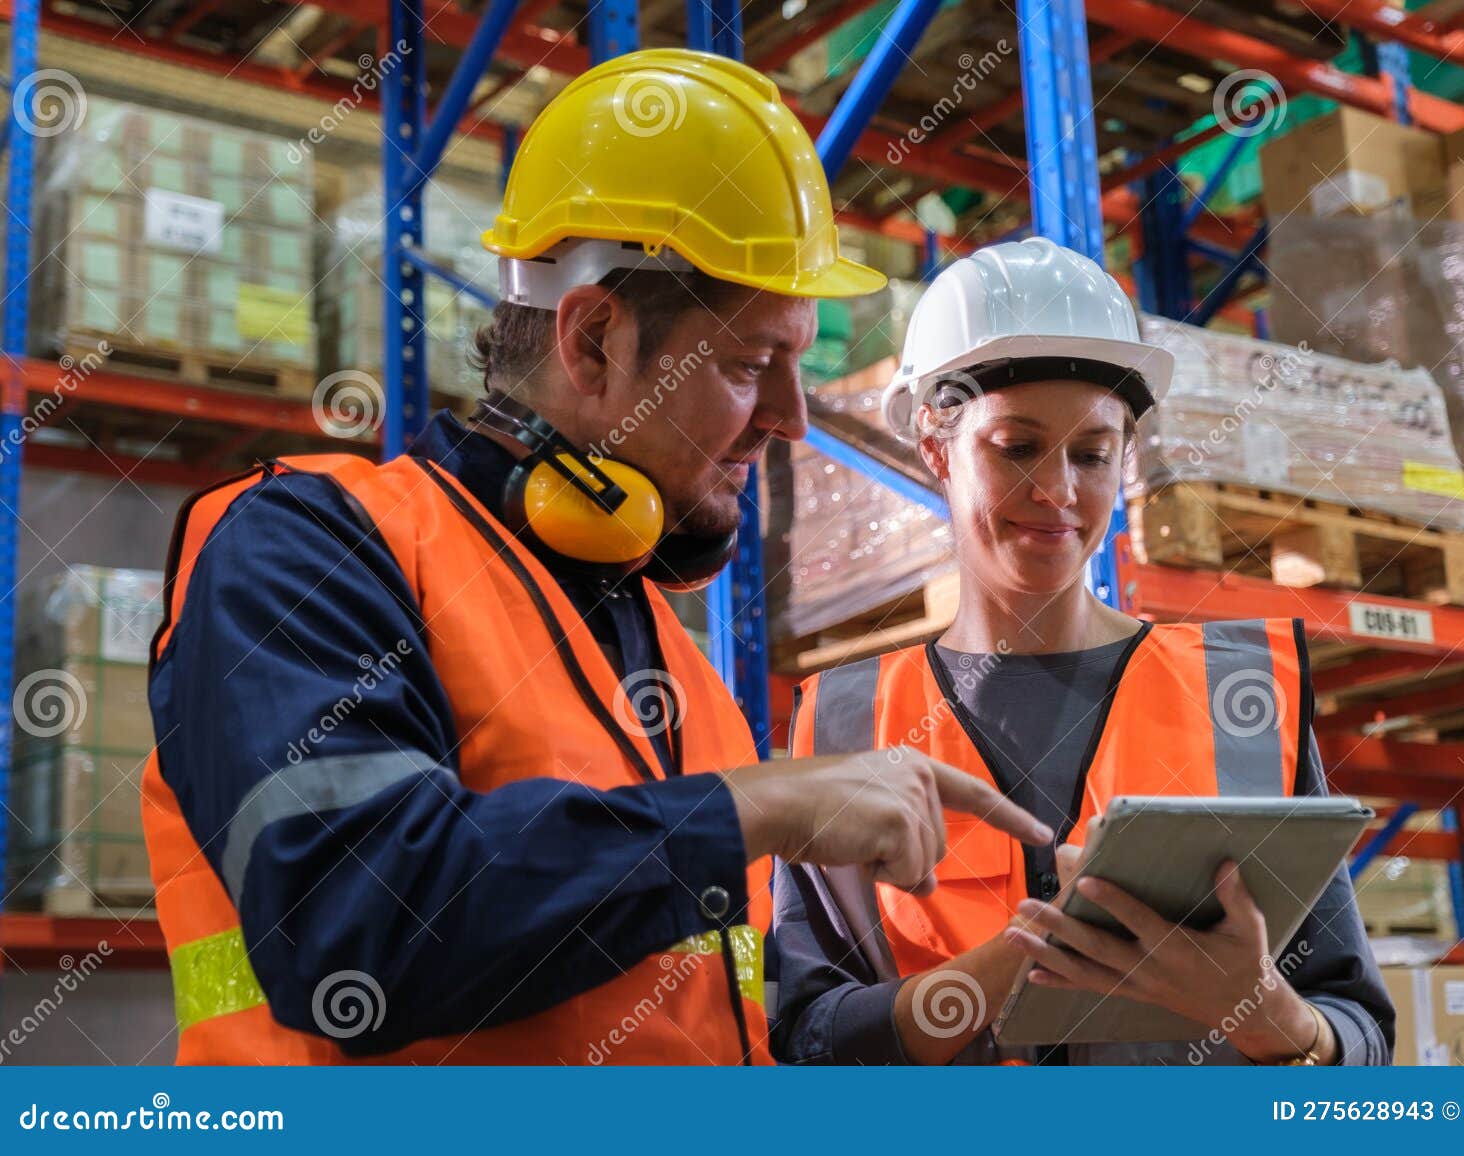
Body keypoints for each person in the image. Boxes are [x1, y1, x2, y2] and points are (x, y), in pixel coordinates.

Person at [140, 49, 1049, 1066]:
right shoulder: (309, 552)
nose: (792, 421)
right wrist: (755, 807)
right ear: (592, 342)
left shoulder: (676, 674)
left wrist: (987, 987)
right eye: (754, 366)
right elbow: (357, 928)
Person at [770, 237, 1395, 1066]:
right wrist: (1020, 961)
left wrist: (1266, 1016)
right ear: (934, 449)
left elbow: (1358, 1039)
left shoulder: (1235, 695)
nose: (1057, 491)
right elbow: (808, 1043)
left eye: (1093, 454)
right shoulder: (846, 722)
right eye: (1017, 447)